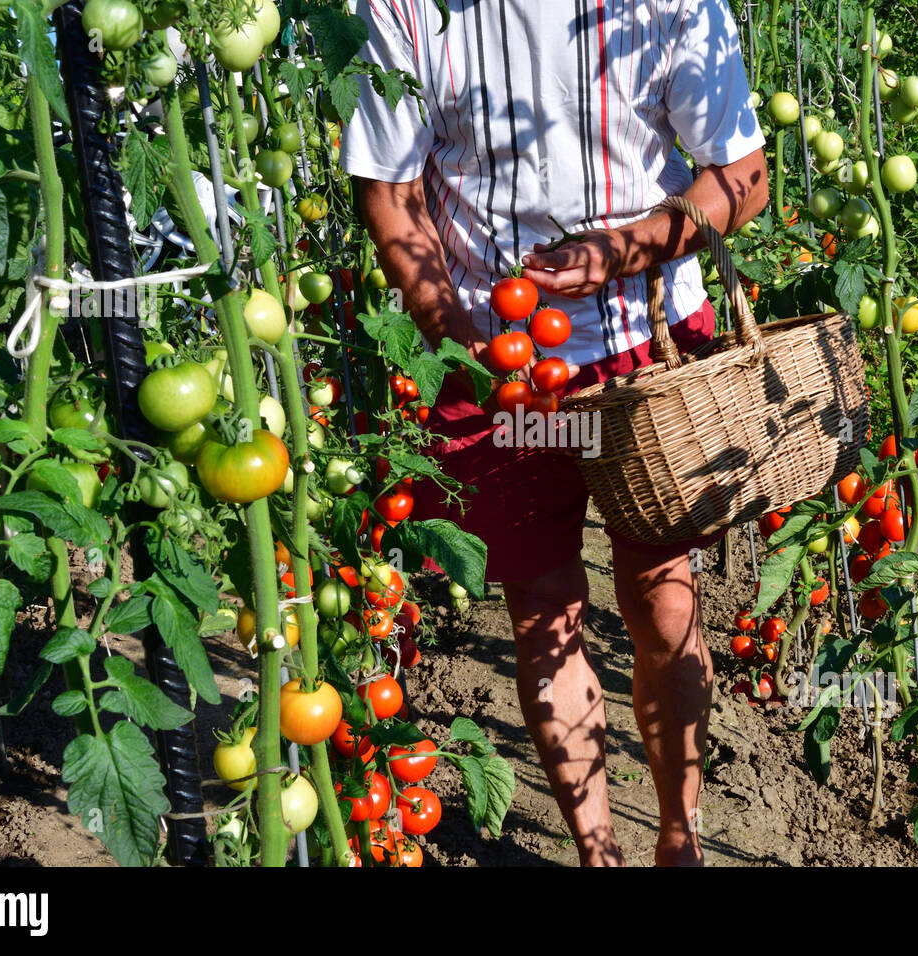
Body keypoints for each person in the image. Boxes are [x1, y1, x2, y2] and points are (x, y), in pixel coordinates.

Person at [342, 0, 768, 866]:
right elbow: (388, 190)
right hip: (494, 355)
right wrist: (451, 330)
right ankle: (598, 852)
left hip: (645, 347)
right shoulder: (405, 9)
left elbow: (743, 176)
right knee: (543, 609)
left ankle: (679, 840)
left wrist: (626, 250)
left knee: (663, 593)